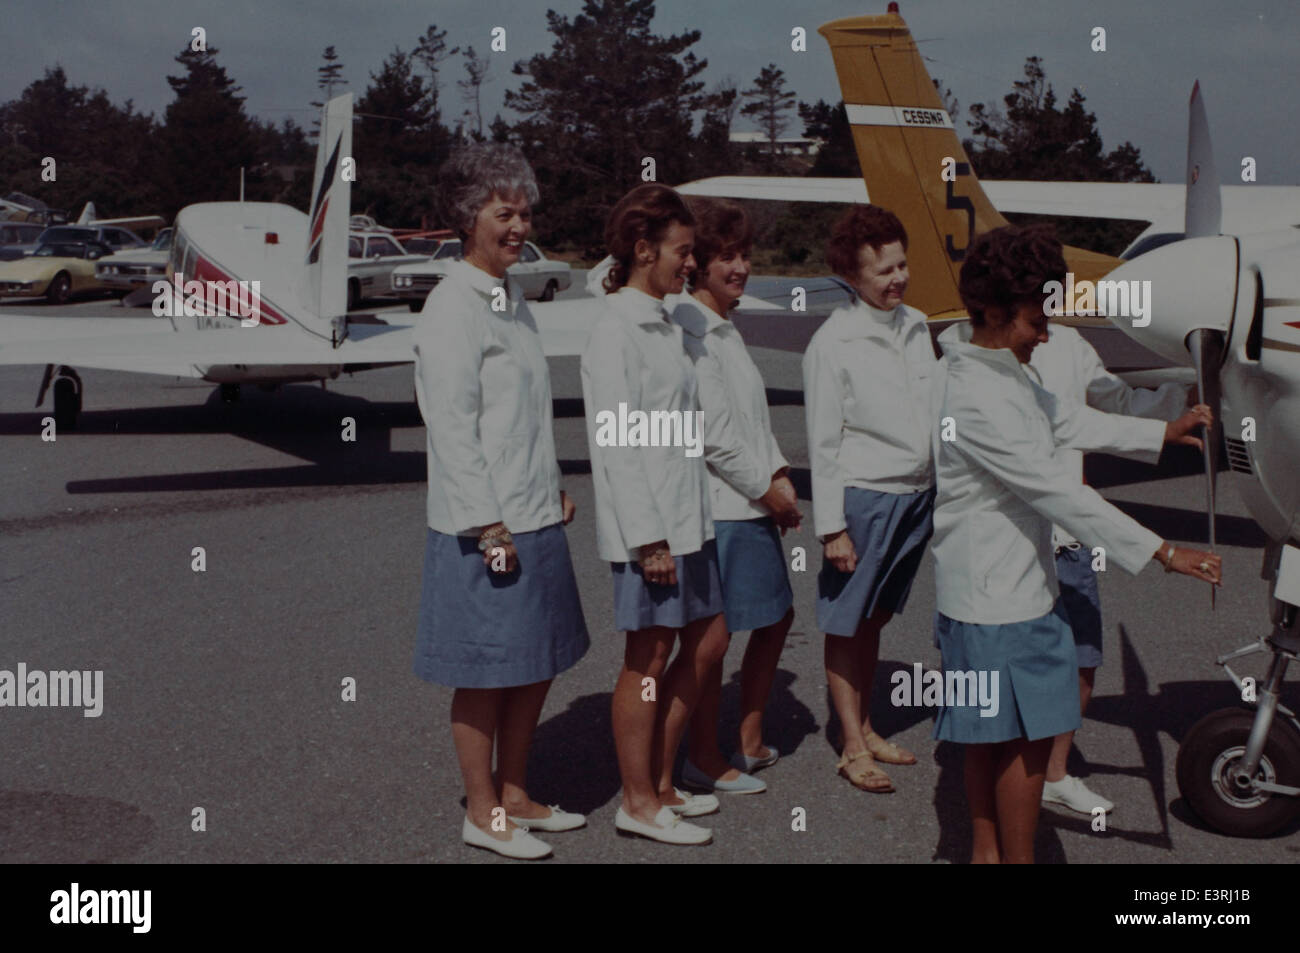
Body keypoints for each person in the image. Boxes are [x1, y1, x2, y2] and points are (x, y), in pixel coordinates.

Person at [931, 223, 1221, 863]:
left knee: (989, 739)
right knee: (1026, 745)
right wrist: (1163, 552)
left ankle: (986, 854)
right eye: (1037, 321)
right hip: (1002, 601)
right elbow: (1056, 490)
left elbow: (1065, 417)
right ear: (998, 311)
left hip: (986, 593)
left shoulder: (993, 369)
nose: (1045, 334)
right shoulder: (979, 394)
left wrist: (1159, 433)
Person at [410, 143, 590, 860]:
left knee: (535, 658)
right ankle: (481, 809)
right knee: (486, 669)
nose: (518, 226)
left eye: (523, 212)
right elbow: (452, 426)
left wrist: (550, 486)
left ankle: (515, 791)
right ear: (467, 216)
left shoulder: (509, 297)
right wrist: (490, 523)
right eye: (502, 212)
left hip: (532, 511)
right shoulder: (453, 305)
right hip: (484, 525)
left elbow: (519, 414)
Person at [581, 183, 729, 845]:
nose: (690, 264)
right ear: (643, 250)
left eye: (692, 252)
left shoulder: (664, 321)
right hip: (653, 530)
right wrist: (648, 539)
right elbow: (616, 442)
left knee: (698, 641)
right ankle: (636, 801)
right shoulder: (615, 331)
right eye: (682, 252)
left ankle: (663, 784)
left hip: (688, 518)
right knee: (647, 656)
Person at [1030, 325, 1192, 814]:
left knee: (1082, 660)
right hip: (1008, 538)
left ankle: (1053, 774)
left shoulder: (1070, 344)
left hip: (1069, 534)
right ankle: (1001, 770)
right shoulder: (966, 347)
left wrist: (1185, 400)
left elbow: (1115, 403)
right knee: (1007, 663)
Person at [668, 198, 801, 794]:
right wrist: (766, 492)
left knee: (772, 619)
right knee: (713, 640)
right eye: (725, 257)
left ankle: (744, 741)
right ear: (698, 264)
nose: (739, 267)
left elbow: (752, 422)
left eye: (744, 255)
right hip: (724, 509)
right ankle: (702, 756)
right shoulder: (695, 330)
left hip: (751, 502)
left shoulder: (726, 325)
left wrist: (779, 471)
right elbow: (716, 439)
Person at [803, 204, 936, 794]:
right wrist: (832, 528)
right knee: (845, 621)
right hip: (863, 499)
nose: (897, 279)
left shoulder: (917, 324)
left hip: (916, 496)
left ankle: (865, 723)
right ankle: (851, 744)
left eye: (901, 265)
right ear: (852, 279)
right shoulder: (833, 342)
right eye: (882, 271)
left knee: (875, 619)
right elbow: (823, 442)